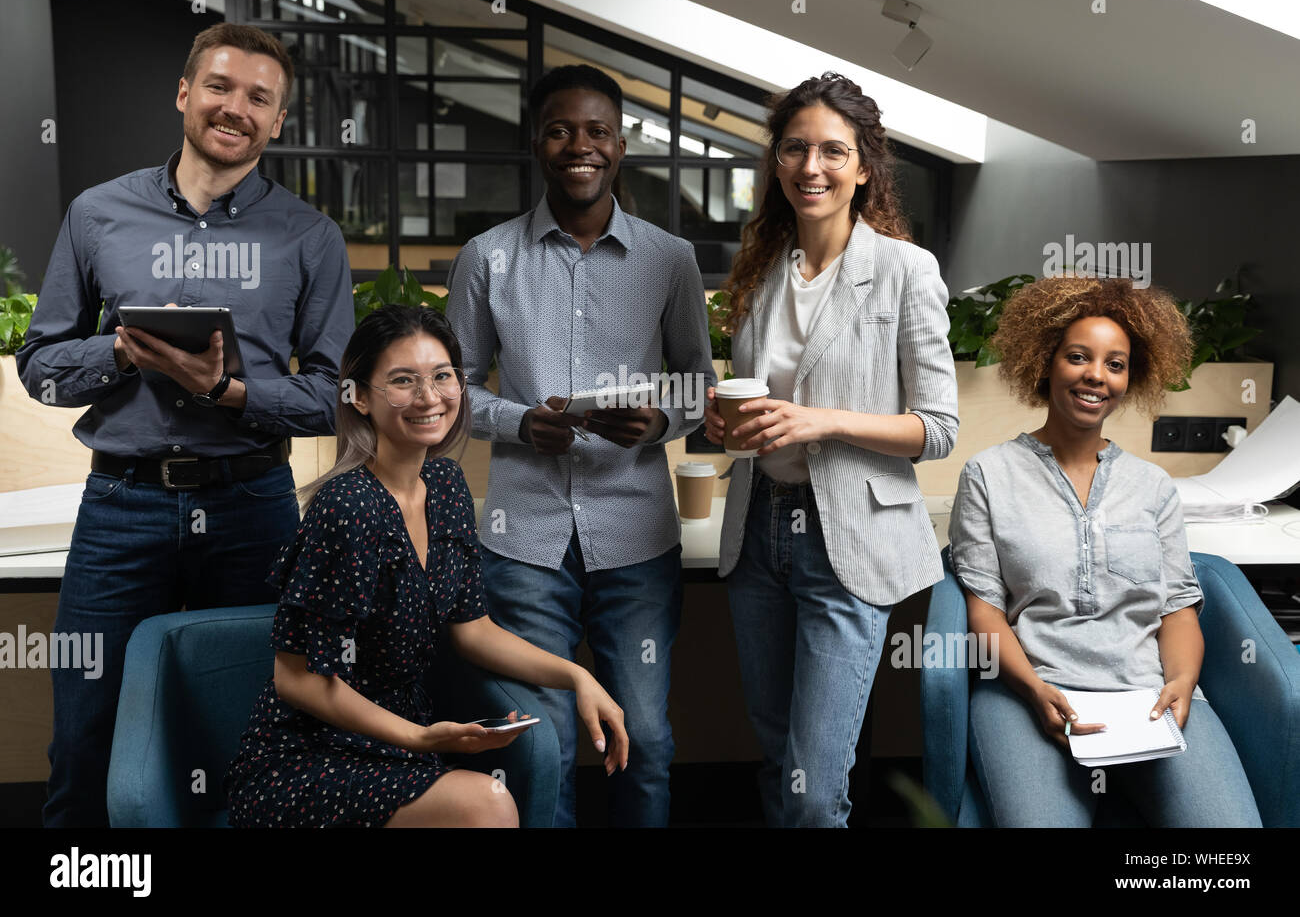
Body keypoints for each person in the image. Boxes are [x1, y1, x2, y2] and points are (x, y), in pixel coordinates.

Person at [16, 23, 355, 827]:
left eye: (258, 98)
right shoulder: (98, 213)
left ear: (277, 123)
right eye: (220, 87)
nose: (234, 108)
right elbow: (41, 364)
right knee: (84, 735)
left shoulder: (310, 237)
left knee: (245, 730)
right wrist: (127, 354)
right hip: (119, 510)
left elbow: (336, 396)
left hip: (253, 508)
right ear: (184, 93)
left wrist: (230, 390)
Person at [224, 305, 628, 827]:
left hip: (402, 743)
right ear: (360, 397)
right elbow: (296, 680)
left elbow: (473, 631)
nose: (430, 397)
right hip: (307, 757)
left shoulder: (445, 487)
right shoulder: (347, 505)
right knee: (487, 803)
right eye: (402, 381)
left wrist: (577, 677)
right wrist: (417, 735)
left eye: (443, 377)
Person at [445, 64, 715, 827]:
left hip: (637, 536)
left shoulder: (671, 259)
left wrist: (658, 423)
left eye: (597, 131)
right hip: (523, 539)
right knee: (547, 744)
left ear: (621, 145)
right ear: (538, 143)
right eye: (561, 130)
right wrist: (521, 421)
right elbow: (454, 389)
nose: (579, 146)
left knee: (649, 739)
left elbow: (698, 387)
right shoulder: (486, 256)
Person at [704, 72, 959, 827]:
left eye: (831, 151)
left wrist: (820, 421)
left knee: (816, 790)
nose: (810, 167)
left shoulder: (906, 272)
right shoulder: (757, 274)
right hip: (757, 535)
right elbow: (760, 404)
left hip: (845, 540)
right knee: (777, 756)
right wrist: (728, 427)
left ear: (864, 166)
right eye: (795, 149)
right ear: (777, 162)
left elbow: (937, 428)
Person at [947, 274, 1262, 827]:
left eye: (1115, 364)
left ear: (1130, 379)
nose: (1097, 375)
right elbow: (984, 610)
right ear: (1046, 363)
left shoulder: (1153, 486)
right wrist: (1032, 689)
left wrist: (1182, 684)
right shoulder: (988, 475)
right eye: (1078, 357)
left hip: (1146, 699)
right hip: (1030, 694)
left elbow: (1177, 607)